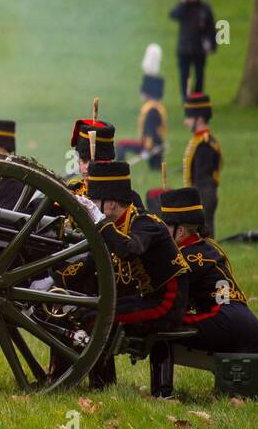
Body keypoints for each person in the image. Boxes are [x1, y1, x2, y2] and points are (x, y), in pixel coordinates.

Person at [66, 161, 191, 386]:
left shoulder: (145, 223)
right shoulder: (114, 226)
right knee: (88, 313)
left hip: (167, 302)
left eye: (95, 202)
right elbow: (88, 265)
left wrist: (100, 222)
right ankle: (102, 383)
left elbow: (129, 249)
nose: (92, 206)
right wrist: (51, 279)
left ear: (111, 203)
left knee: (97, 319)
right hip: (148, 298)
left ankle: (102, 386)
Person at [159, 187, 258, 354]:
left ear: (180, 231)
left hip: (225, 322)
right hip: (245, 325)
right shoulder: (208, 247)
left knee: (159, 328)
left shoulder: (186, 258)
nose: (162, 232)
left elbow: (161, 293)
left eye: (165, 226)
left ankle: (163, 382)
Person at [182, 92, 222, 237]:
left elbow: (202, 178)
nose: (185, 122)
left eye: (188, 117)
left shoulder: (204, 145)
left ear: (198, 119)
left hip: (203, 196)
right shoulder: (201, 141)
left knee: (205, 241)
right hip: (203, 194)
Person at [169, 0, 217, 97]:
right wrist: (182, 2)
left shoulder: (205, 7)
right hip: (184, 49)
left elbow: (211, 27)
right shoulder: (182, 8)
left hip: (199, 49)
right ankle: (185, 99)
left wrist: (213, 45)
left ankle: (198, 97)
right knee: (184, 76)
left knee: (199, 75)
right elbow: (173, 15)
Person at [116, 74, 167, 170]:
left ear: (148, 93)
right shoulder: (157, 106)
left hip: (148, 143)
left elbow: (151, 131)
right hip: (155, 142)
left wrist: (148, 148)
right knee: (155, 168)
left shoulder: (152, 109)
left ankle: (119, 169)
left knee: (121, 144)